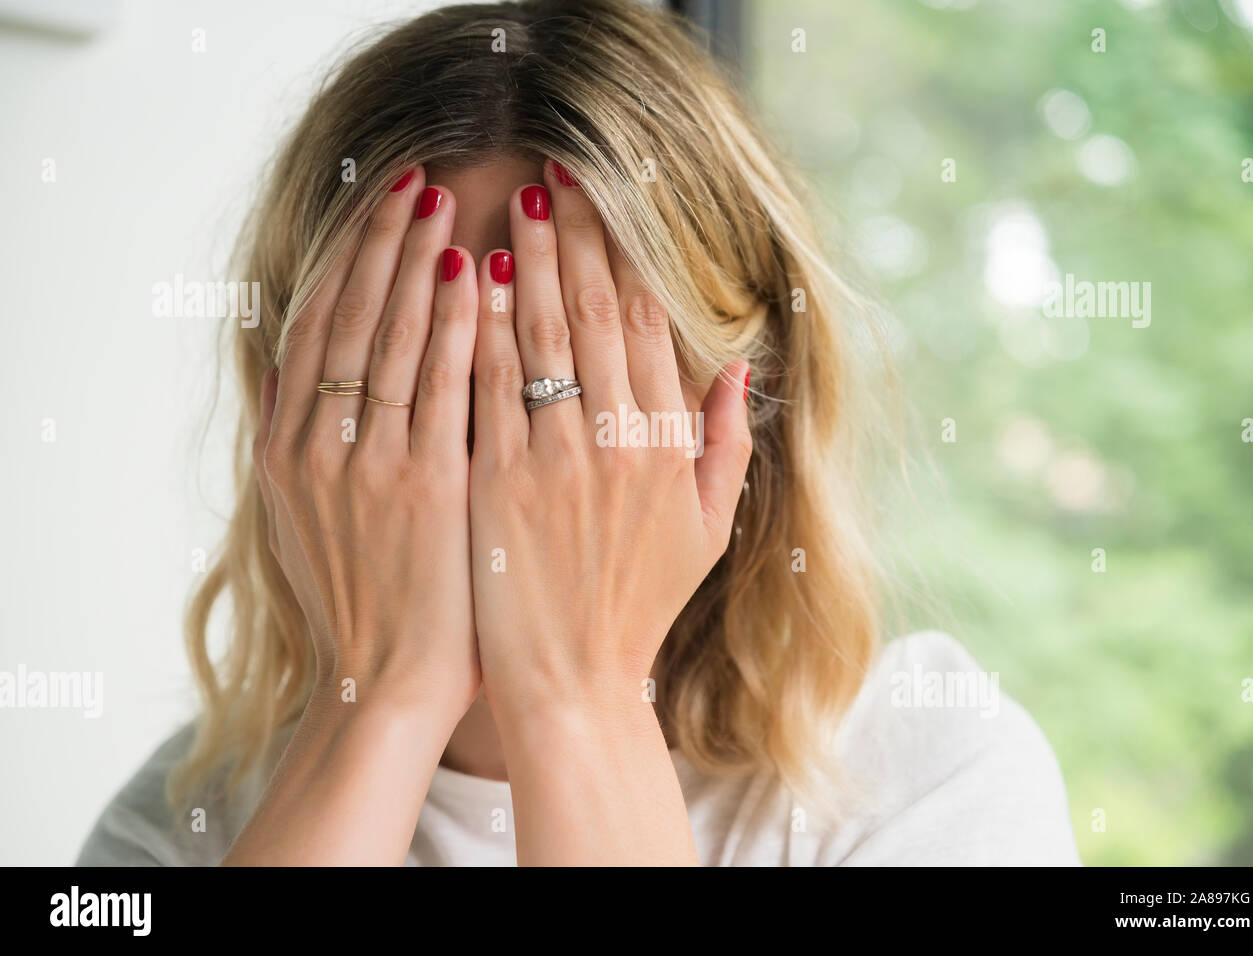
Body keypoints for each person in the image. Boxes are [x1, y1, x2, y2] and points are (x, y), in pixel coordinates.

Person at [77, 0, 1078, 866]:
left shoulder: (927, 770)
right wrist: (375, 698)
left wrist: (578, 696)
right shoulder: (188, 822)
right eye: (408, 378)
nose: (504, 471)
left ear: (742, 413)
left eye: (568, 396)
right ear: (286, 417)